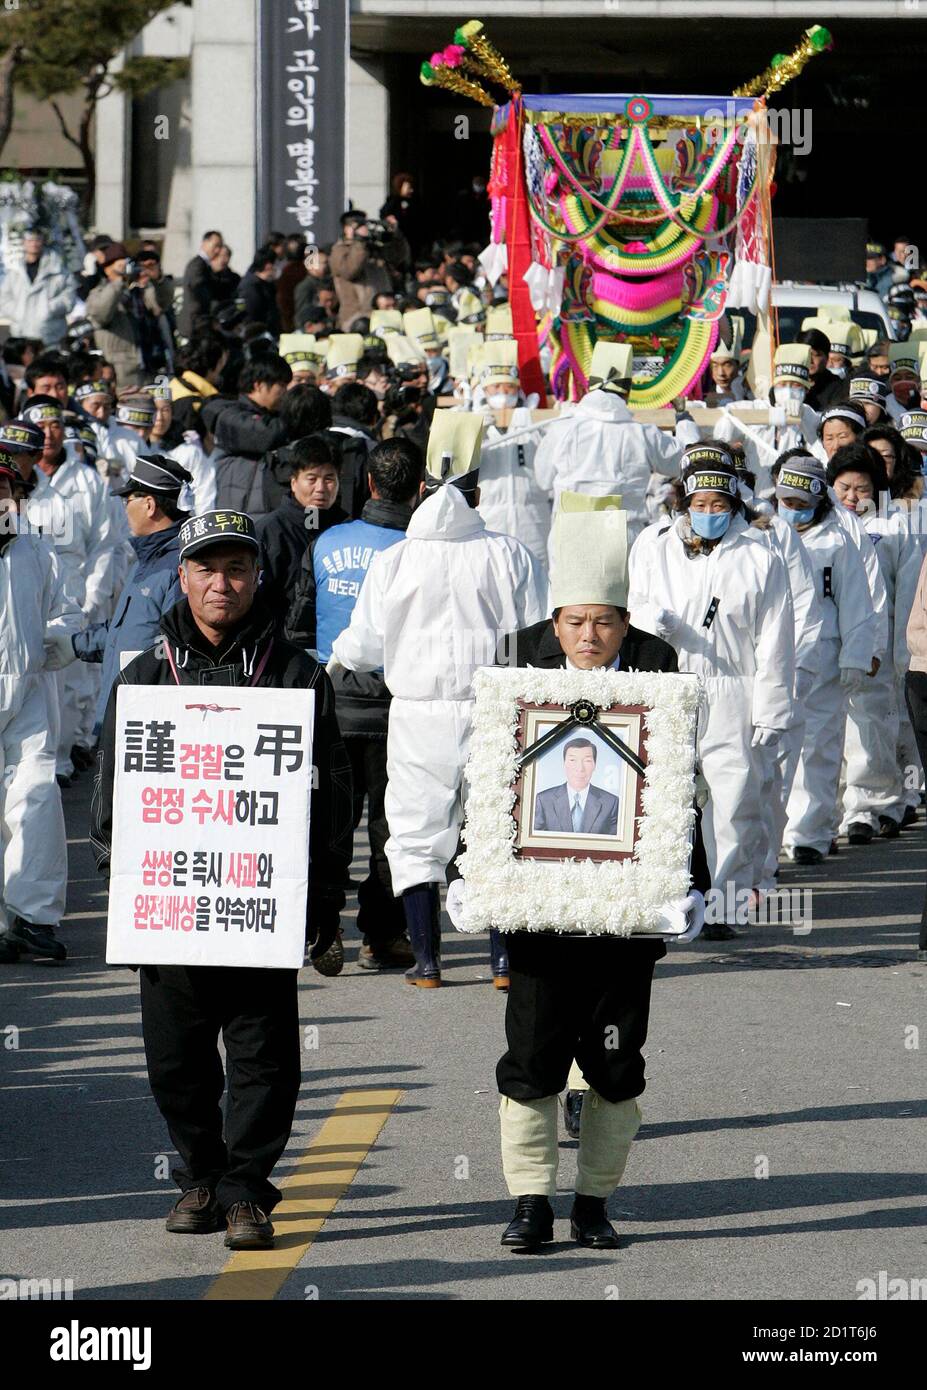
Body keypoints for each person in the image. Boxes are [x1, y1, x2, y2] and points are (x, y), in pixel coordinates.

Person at [91, 508, 353, 1248]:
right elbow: (111, 795)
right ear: (182, 577)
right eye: (206, 568)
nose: (221, 583)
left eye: (237, 569)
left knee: (263, 1057)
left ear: (257, 577)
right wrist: (127, 888)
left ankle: (246, 1192)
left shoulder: (297, 674)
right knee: (175, 1059)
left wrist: (323, 900)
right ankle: (199, 1177)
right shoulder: (144, 677)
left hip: (260, 905)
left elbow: (334, 795)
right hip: (170, 904)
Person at [452, 495, 706, 1252]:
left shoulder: (659, 671)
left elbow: (680, 783)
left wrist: (689, 879)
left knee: (615, 1063)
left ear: (624, 624)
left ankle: (593, 1202)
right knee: (531, 1058)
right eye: (574, 622)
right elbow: (489, 774)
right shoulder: (518, 671)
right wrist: (469, 865)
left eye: (603, 622)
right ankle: (530, 1201)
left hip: (626, 912)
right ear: (554, 624)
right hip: (540, 910)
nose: (588, 636)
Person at [330, 410, 546, 986]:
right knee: (493, 827)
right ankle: (503, 961)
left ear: (422, 491)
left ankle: (427, 962)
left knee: (416, 832)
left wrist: (338, 657)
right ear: (478, 492)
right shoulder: (509, 554)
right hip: (495, 707)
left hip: (418, 713)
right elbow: (538, 634)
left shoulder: (395, 560)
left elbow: (364, 646)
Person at [629, 443, 794, 934]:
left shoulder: (759, 556)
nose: (708, 513)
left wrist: (772, 709)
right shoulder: (654, 544)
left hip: (733, 689)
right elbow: (633, 604)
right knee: (663, 797)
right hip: (669, 685)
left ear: (734, 504)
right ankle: (666, 899)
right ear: (684, 503)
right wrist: (654, 623)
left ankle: (725, 904)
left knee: (734, 799)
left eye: (718, 505)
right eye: (699, 504)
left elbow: (775, 640)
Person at [289, 437, 423, 972]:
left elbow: (298, 625)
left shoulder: (327, 541)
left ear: (367, 483)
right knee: (394, 829)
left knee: (328, 825)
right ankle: (383, 933)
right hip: (400, 708)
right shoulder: (422, 550)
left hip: (333, 703)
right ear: (419, 489)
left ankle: (323, 928)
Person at [0, 448, 82, 965]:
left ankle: (33, 918)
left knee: (35, 800)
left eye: (4, 489)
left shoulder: (35, 549)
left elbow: (65, 613)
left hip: (28, 694)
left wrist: (50, 645)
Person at [777, 454, 879, 864]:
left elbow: (857, 602)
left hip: (824, 655)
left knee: (819, 746)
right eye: (786, 502)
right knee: (776, 747)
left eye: (801, 504)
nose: (792, 510)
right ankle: (774, 830)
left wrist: (856, 655)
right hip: (777, 654)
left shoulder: (838, 541)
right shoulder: (764, 537)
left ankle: (811, 833)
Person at [20, 396, 117, 781]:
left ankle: (63, 758)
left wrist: (93, 596)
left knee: (72, 683)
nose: (49, 433)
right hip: (28, 597)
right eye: (40, 427)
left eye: (55, 424)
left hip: (74, 595)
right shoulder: (15, 487)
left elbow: (103, 544)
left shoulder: (86, 481)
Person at [72, 454, 191, 733]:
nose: (125, 509)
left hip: (148, 717)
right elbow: (128, 633)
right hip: (122, 711)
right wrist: (75, 644)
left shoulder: (177, 566)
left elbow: (175, 649)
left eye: (128, 500)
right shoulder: (146, 561)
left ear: (149, 505)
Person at [534, 342, 692, 546]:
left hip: (569, 536)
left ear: (588, 387)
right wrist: (685, 421)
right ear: (628, 392)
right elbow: (686, 461)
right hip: (622, 536)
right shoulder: (642, 434)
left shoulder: (562, 429)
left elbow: (543, 480)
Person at [257, 435, 345, 617]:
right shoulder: (270, 531)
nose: (320, 488)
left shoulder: (347, 528)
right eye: (312, 479)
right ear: (294, 482)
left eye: (329, 479)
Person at [212, 356, 291, 515]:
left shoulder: (274, 417)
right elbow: (265, 437)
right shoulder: (232, 415)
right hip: (238, 512)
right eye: (281, 385)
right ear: (259, 385)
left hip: (265, 511)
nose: (285, 392)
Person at [85, 243, 162, 388]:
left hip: (151, 368)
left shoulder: (138, 292)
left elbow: (161, 305)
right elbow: (101, 315)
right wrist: (118, 281)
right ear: (107, 269)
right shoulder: (98, 293)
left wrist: (157, 279)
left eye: (127, 264)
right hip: (120, 374)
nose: (126, 268)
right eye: (120, 265)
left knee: (161, 401)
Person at [0, 230, 74, 347]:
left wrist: (48, 309)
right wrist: (17, 312)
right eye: (30, 240)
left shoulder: (57, 268)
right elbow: (4, 298)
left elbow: (69, 298)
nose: (34, 244)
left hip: (50, 334)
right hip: (21, 333)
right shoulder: (14, 270)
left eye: (37, 240)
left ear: (43, 242)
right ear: (24, 243)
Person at [534, 739, 620, 835]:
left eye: (587, 761)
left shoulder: (611, 803)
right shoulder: (544, 800)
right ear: (564, 764)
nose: (580, 768)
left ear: (594, 765)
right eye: (573, 760)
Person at [330, 211, 395, 331]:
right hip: (356, 316)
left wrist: (393, 234)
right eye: (359, 225)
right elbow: (349, 272)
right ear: (347, 229)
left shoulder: (373, 248)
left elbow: (398, 257)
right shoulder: (339, 250)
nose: (365, 228)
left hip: (383, 311)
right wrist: (359, 242)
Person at [178, 229, 222, 340]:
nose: (217, 250)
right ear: (205, 243)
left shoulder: (205, 265)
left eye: (220, 247)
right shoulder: (197, 265)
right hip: (196, 322)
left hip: (201, 322)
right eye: (215, 245)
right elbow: (200, 291)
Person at [799, 326, 845, 412]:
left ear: (827, 357)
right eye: (806, 355)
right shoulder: (788, 383)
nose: (810, 360)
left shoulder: (837, 386)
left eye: (816, 355)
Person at [238, 250, 281, 336]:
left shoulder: (267, 284)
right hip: (257, 335)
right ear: (268, 266)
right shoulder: (251, 287)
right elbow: (251, 316)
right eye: (276, 263)